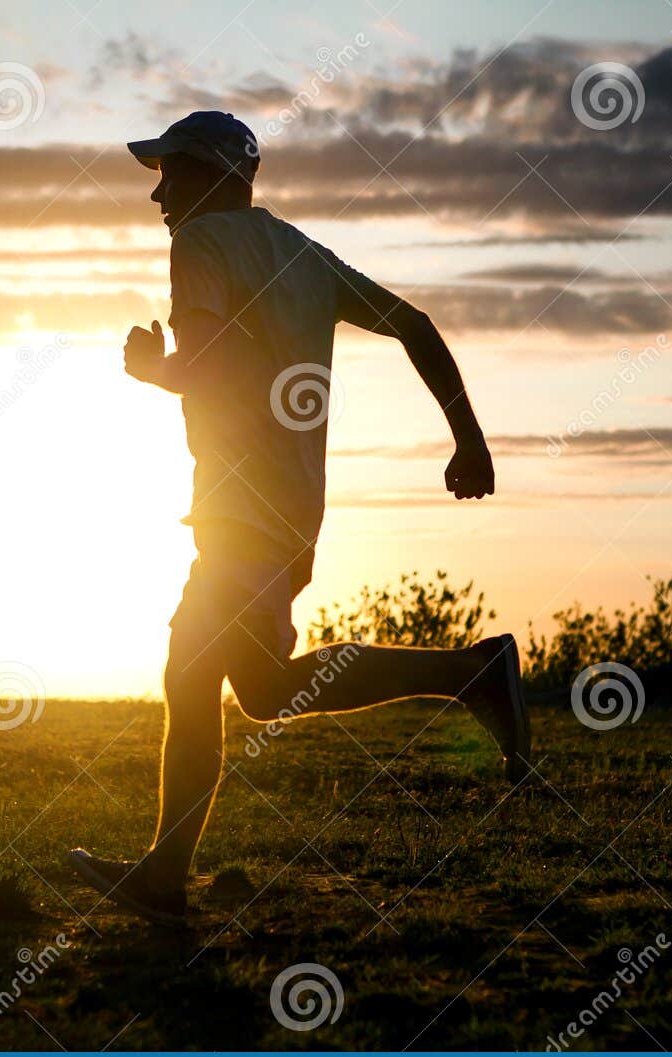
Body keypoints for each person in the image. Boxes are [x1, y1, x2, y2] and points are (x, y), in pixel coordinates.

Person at [65, 111, 529, 927]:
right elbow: (415, 325)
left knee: (191, 673)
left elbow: (205, 367)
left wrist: (147, 369)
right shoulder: (304, 254)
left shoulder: (201, 244)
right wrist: (470, 440)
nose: (157, 194)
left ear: (209, 175)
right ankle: (471, 673)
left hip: (243, 506)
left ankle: (164, 882)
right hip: (288, 510)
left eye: (167, 173)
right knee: (267, 690)